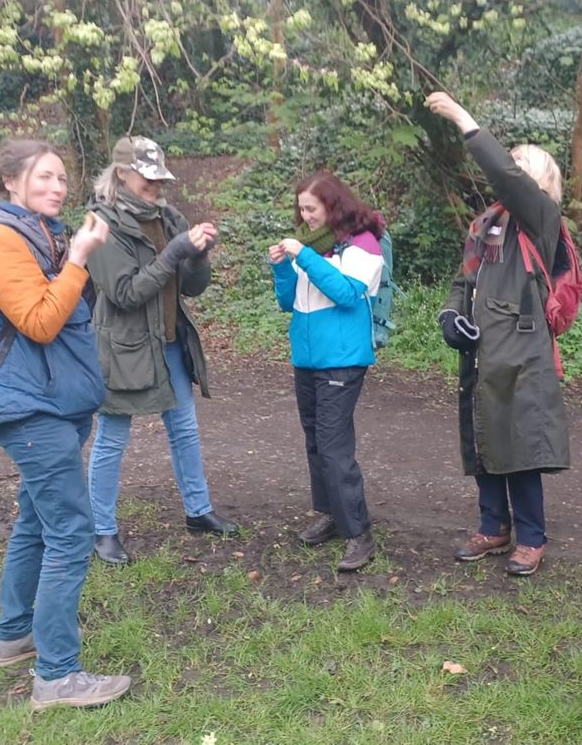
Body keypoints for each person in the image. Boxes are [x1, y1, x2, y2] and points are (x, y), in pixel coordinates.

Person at [0, 137, 131, 709]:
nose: (57, 187)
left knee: (37, 519)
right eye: (44, 177)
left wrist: (72, 254)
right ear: (10, 181)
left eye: (62, 178)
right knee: (71, 532)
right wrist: (78, 259)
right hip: (26, 406)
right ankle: (58, 675)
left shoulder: (38, 234)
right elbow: (39, 321)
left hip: (49, 401)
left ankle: (14, 636)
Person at [426, 91, 570, 578]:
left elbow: (508, 182)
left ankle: (531, 536)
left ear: (542, 181)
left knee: (522, 444)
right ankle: (494, 526)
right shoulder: (485, 225)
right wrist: (450, 317)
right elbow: (461, 282)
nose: (510, 170)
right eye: (511, 163)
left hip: (523, 352)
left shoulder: (543, 218)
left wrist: (465, 120)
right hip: (483, 351)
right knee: (484, 438)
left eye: (520, 165)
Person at [85, 136, 241, 566]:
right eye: (148, 179)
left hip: (170, 341)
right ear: (122, 175)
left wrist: (199, 256)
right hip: (123, 348)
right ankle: (101, 531)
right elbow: (124, 293)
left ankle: (198, 511)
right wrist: (175, 252)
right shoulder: (102, 225)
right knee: (112, 439)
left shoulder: (167, 216)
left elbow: (191, 286)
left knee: (185, 430)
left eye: (160, 178)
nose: (157, 187)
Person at [268, 172, 385, 572]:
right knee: (316, 441)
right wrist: (283, 268)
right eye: (300, 209)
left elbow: (347, 293)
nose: (305, 216)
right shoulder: (310, 247)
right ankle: (332, 515)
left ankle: (359, 534)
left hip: (342, 359)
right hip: (307, 358)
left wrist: (304, 256)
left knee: (334, 446)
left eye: (311, 209)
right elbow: (289, 301)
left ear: (333, 206)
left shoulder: (363, 244)